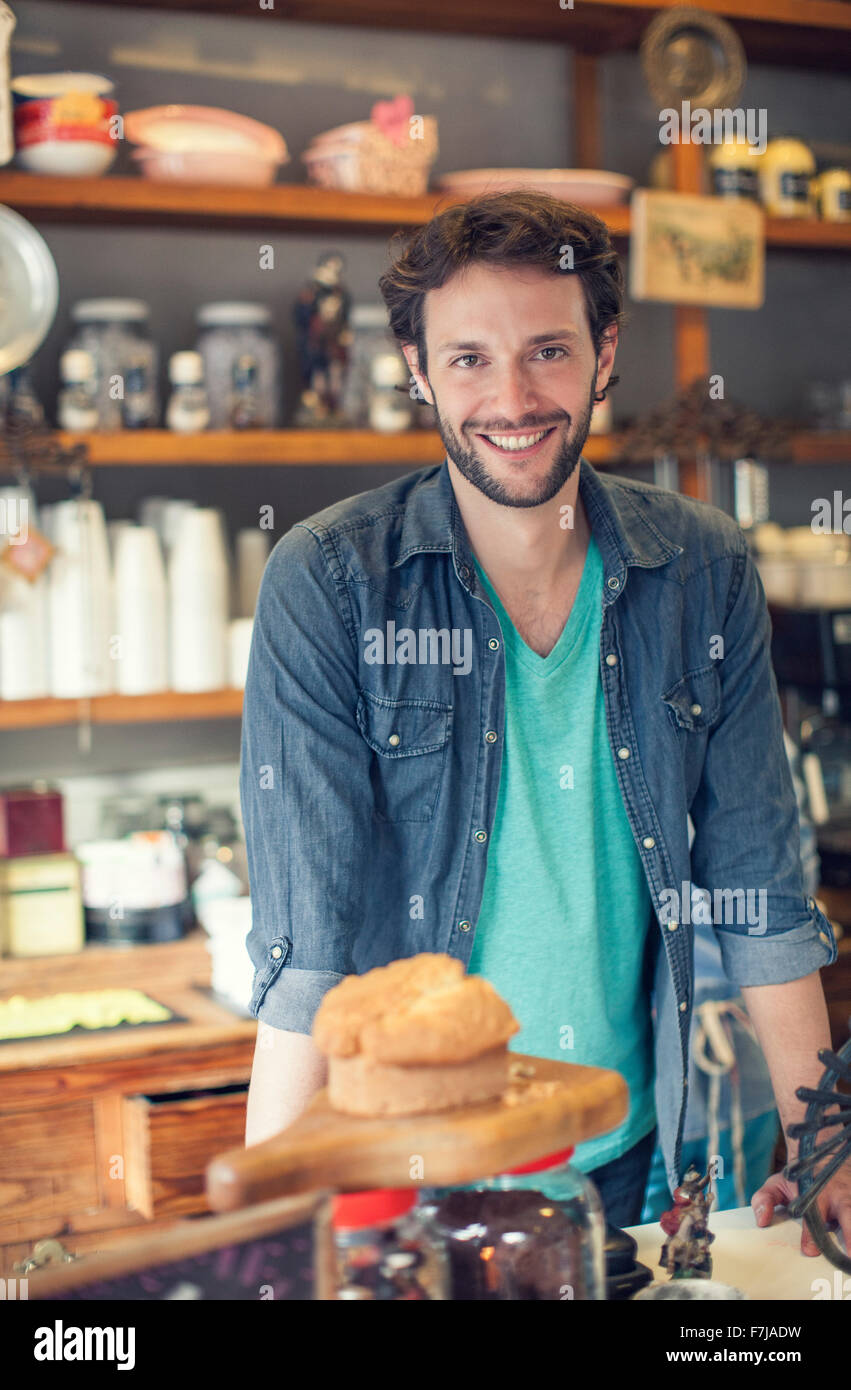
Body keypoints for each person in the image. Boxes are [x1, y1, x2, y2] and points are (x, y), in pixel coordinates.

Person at [241, 191, 847, 1245]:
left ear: (606, 354)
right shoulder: (331, 580)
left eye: (549, 351)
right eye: (469, 358)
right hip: (408, 1179)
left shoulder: (703, 567)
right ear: (419, 369)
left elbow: (759, 892)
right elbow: (311, 957)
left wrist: (830, 1143)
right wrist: (274, 1244)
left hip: (626, 1157)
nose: (512, 397)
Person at [640, 733, 823, 1222]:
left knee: (738, 1221)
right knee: (655, 1230)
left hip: (732, 1044)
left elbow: (783, 898)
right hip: (661, 1058)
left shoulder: (756, 741)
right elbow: (798, 879)